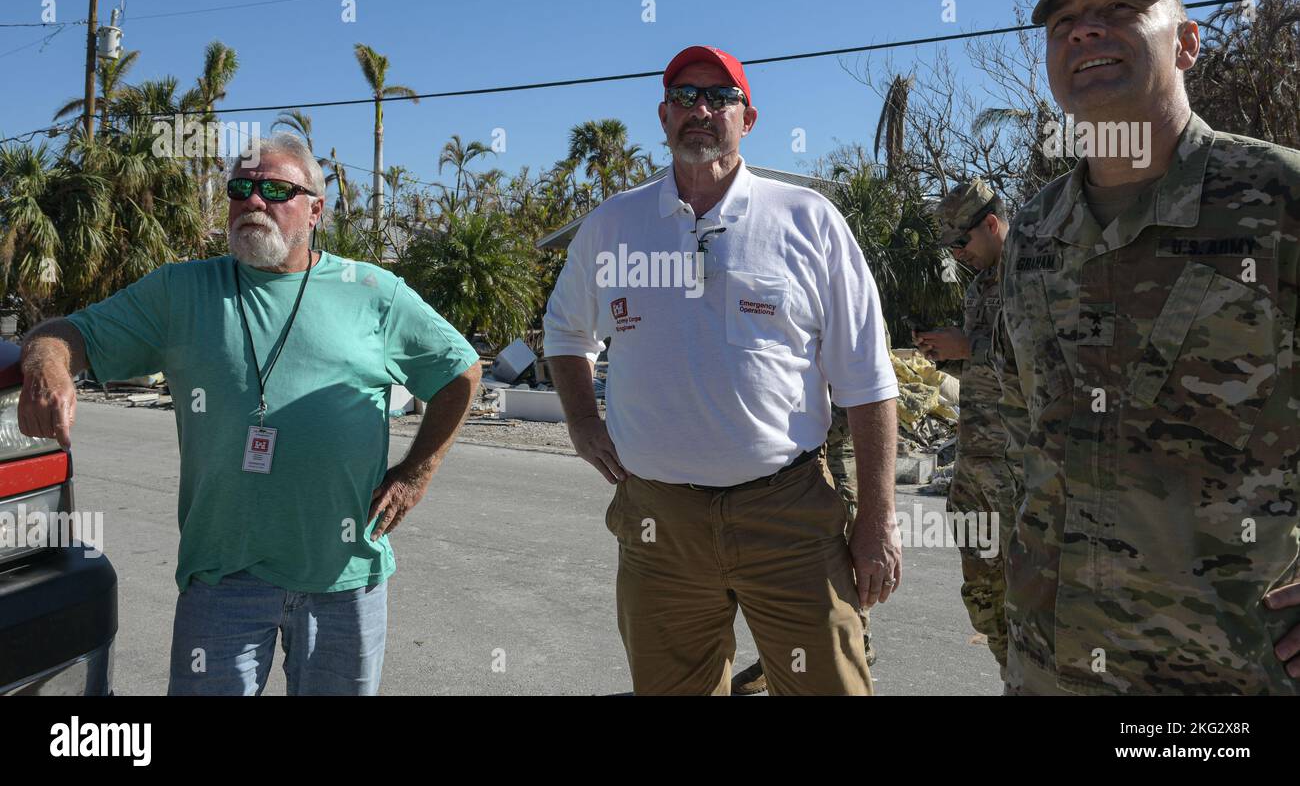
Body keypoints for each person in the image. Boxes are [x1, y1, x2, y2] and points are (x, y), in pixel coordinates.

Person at [18, 132, 481, 695]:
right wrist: (48, 367)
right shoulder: (181, 291)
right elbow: (68, 332)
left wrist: (415, 475)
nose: (253, 200)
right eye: (241, 187)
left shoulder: (373, 293)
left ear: (315, 209)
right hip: (223, 579)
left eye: (274, 189)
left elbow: (460, 370)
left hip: (344, 579)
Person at [996, 0, 1300, 694]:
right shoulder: (1034, 231)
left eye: (1118, 8)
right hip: (1052, 659)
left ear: (1187, 42)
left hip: (1232, 667)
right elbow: (1008, 425)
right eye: (1062, 21)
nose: (1084, 30)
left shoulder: (1278, 199)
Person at [544, 45, 901, 695]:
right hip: (659, 525)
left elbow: (868, 379)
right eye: (684, 97)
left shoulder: (806, 220)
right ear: (663, 116)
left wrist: (877, 520)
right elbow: (567, 333)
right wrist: (581, 422)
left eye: (719, 97)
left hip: (787, 513)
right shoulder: (614, 226)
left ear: (749, 118)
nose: (700, 110)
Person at [914, 179, 1019, 676]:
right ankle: (1010, 677)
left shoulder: (1036, 277)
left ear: (992, 225)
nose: (958, 255)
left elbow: (1049, 359)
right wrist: (948, 356)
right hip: (975, 465)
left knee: (1029, 603)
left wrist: (970, 347)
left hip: (1019, 474)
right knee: (983, 599)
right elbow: (990, 369)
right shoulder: (980, 287)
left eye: (962, 243)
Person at [731, 401, 878, 696]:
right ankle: (776, 659)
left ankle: (857, 639)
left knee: (838, 546)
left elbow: (867, 390)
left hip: (836, 439)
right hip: (799, 449)